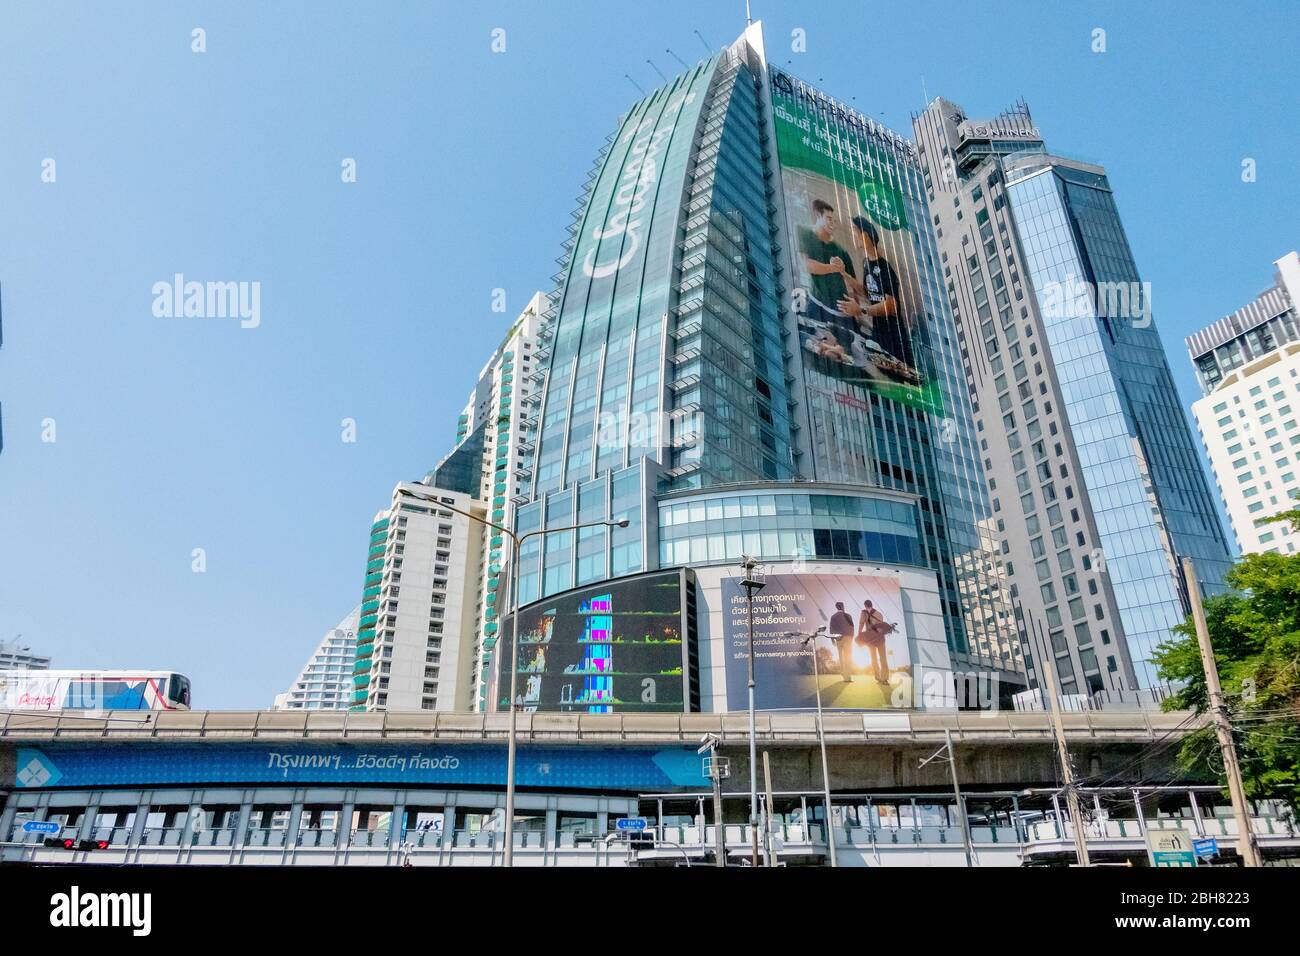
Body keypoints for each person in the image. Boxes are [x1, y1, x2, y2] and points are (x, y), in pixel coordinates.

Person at [837, 216, 909, 366]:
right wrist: (845, 275)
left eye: (855, 232)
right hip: (878, 331)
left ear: (864, 235)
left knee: (899, 373)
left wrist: (861, 310)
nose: (854, 236)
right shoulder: (866, 263)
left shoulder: (884, 267)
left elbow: (891, 305)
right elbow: (868, 293)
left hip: (894, 335)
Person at [856, 598, 895, 684]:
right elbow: (881, 626)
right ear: (872, 605)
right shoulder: (879, 614)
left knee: (873, 658)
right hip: (880, 637)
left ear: (865, 606)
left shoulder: (864, 612)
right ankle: (884, 678)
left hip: (870, 639)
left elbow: (861, 624)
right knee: (883, 658)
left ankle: (878, 678)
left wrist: (859, 635)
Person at [828, 601, 856, 682]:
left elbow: (831, 629)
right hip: (848, 638)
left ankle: (844, 675)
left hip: (838, 639)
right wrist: (852, 637)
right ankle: (848, 676)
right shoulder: (848, 616)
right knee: (848, 657)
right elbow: (852, 627)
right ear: (843, 606)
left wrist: (832, 640)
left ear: (836, 607)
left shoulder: (833, 617)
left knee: (841, 657)